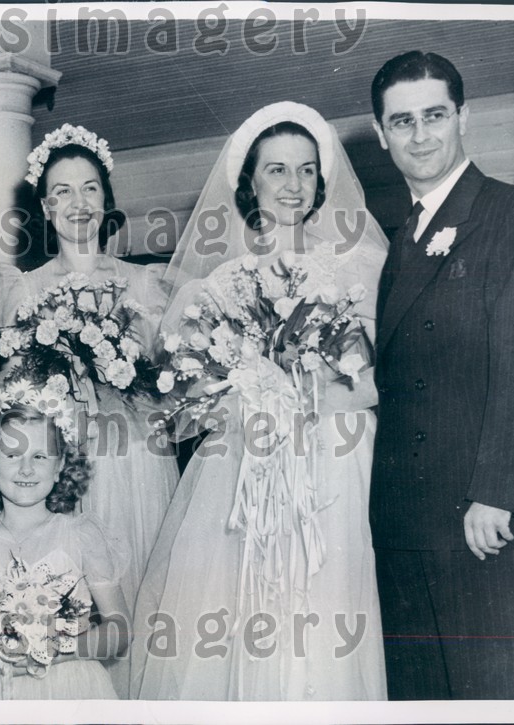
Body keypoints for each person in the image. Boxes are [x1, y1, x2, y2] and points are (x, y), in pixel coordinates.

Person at [132, 102, 389, 700]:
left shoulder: (358, 270)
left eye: (304, 170)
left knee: (325, 601)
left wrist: (308, 390)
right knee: (232, 606)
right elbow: (187, 404)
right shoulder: (214, 285)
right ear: (250, 182)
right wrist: (252, 396)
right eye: (276, 170)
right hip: (241, 465)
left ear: (321, 183)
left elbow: (377, 381)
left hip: (333, 459)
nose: (292, 185)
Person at [368, 51, 514, 700]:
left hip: (478, 522)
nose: (419, 135)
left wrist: (498, 492)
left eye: (434, 116)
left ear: (464, 118)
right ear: (381, 132)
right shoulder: (400, 241)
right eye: (402, 121)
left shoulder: (513, 214)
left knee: (492, 701)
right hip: (406, 528)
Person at [0, 125, 180, 620]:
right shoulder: (24, 291)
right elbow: (19, 399)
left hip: (136, 457)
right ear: (47, 208)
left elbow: (169, 385)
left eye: (90, 188)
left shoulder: (144, 283)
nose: (79, 203)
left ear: (106, 199)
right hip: (66, 461)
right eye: (63, 191)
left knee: (138, 596)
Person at [0, 396, 131, 699]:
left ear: (60, 466)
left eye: (39, 457)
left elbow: (120, 630)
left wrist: (57, 650)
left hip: (70, 688)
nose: (26, 469)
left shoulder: (80, 535)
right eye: (12, 456)